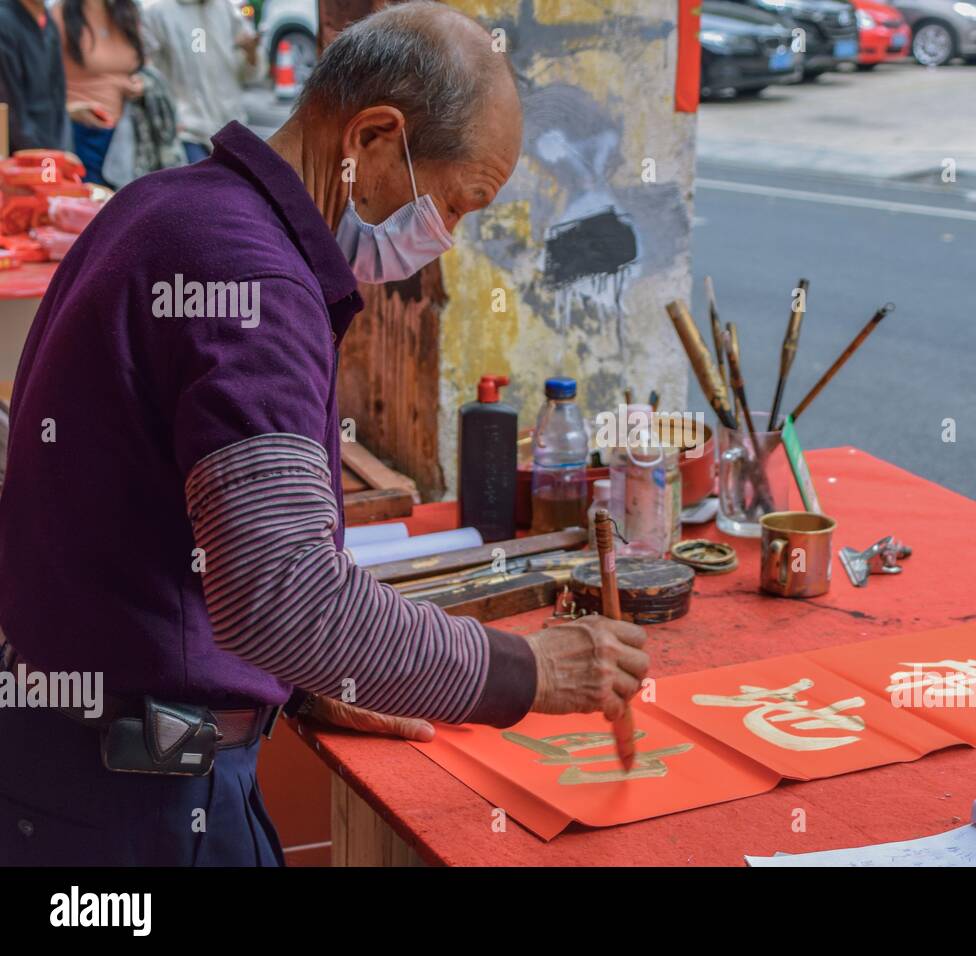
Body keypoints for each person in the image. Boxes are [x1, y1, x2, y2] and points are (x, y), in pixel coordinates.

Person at [0, 2, 649, 866]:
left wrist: (304, 682)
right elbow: (284, 598)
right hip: (138, 805)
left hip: (80, 762)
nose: (441, 242)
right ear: (374, 140)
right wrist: (531, 670)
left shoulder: (171, 205)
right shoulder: (249, 278)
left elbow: (164, 524)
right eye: (452, 204)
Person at [140, 0, 260, 162]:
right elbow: (146, 72)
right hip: (187, 131)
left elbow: (250, 75)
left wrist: (251, 52)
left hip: (231, 128)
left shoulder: (228, 8)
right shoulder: (157, 11)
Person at [51, 0, 145, 185]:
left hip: (124, 135)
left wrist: (139, 83)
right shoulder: (61, 15)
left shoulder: (128, 12)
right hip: (80, 133)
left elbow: (141, 63)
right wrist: (67, 110)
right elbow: (43, 80)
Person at [0, 0, 71, 152]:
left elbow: (58, 95)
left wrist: (59, 153)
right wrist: (43, 156)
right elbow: (10, 109)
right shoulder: (4, 21)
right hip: (21, 156)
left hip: (50, 148)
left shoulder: (48, 23)